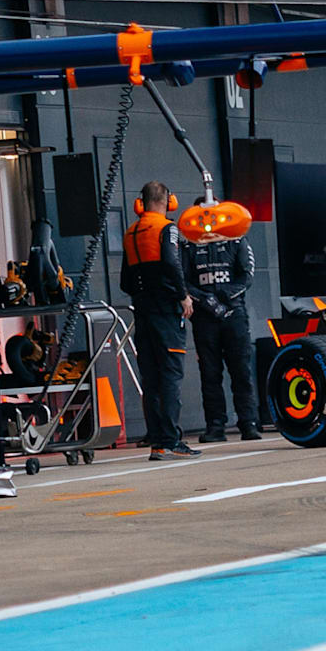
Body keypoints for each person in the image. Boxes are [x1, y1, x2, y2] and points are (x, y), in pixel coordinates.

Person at [121, 181, 200, 460]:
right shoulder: (169, 229)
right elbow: (171, 262)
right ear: (168, 200)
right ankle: (171, 440)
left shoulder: (130, 232)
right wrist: (182, 295)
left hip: (142, 311)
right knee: (170, 376)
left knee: (151, 378)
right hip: (166, 312)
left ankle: (157, 441)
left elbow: (124, 281)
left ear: (140, 202)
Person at [183, 197, 261, 442]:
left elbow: (246, 276)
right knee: (210, 372)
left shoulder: (236, 240)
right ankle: (215, 426)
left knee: (241, 370)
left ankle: (248, 423)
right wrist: (204, 300)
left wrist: (223, 296)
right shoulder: (188, 246)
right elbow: (182, 280)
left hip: (233, 314)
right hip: (205, 318)